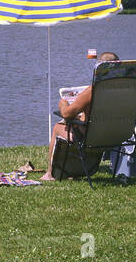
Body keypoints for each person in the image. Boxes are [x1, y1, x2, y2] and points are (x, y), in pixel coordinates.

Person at [37, 51, 118, 180]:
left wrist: (63, 103)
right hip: (116, 136)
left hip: (91, 137)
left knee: (58, 127)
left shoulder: (93, 90)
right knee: (78, 119)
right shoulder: (128, 89)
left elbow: (66, 114)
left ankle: (50, 174)